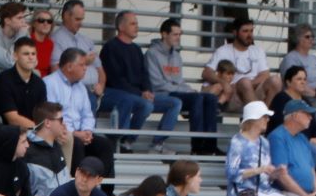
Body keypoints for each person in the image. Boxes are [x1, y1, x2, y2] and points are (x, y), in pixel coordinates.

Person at [225, 100, 297, 196]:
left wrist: (275, 173)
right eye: (264, 117)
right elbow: (231, 173)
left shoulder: (264, 142)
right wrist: (260, 170)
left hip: (262, 189)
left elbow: (265, 175)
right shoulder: (237, 142)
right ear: (254, 119)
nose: (267, 120)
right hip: (241, 192)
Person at [100, 10, 177, 149]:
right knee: (145, 105)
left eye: (137, 24)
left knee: (174, 103)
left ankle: (158, 142)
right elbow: (116, 80)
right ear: (121, 27)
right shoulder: (111, 48)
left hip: (139, 94)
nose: (137, 27)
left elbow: (144, 74)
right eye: (133, 24)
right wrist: (141, 94)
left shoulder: (136, 49)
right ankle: (126, 141)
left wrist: (147, 90)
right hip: (118, 94)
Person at [146, 18, 220, 154]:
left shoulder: (176, 56)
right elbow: (157, 83)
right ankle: (197, 147)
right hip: (161, 94)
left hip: (176, 92)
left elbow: (179, 81)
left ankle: (211, 145)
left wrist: (189, 90)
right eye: (175, 34)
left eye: (180, 34)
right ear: (164, 34)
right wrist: (185, 91)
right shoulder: (152, 54)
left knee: (209, 98)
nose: (178, 38)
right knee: (196, 99)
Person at [42, 47, 115, 179]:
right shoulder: (49, 83)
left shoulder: (81, 87)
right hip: (61, 135)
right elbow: (52, 116)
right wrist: (75, 133)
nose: (85, 68)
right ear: (69, 66)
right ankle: (77, 188)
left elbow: (87, 114)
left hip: (80, 135)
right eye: (82, 65)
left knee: (105, 145)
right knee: (77, 143)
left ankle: (106, 192)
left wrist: (87, 131)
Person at [201, 14, 280, 108]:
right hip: (232, 95)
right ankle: (259, 116)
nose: (249, 35)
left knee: (276, 80)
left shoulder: (258, 51)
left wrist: (248, 84)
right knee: (244, 82)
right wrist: (224, 83)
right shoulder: (223, 51)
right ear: (235, 33)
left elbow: (265, 75)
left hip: (254, 91)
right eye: (245, 31)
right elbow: (207, 73)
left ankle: (265, 115)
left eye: (251, 31)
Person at [0, 37, 46, 130]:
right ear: (15, 56)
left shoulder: (39, 83)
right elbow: (13, 119)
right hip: (10, 134)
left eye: (33, 54)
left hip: (35, 132)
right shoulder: (3, 80)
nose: (31, 57)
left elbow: (42, 115)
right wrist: (38, 130)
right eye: (26, 54)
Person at [55, 0, 103, 93]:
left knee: (131, 102)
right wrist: (85, 61)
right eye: (77, 19)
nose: (81, 23)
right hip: (74, 90)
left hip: (96, 91)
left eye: (82, 19)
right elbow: (56, 71)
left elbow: (100, 69)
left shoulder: (86, 40)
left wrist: (101, 87)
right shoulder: (56, 40)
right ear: (66, 16)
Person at [0, 1, 30, 76]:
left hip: (17, 76)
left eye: (24, 17)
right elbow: (9, 62)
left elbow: (28, 61)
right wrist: (20, 37)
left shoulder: (23, 34)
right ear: (7, 21)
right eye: (19, 18)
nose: (23, 21)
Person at [280, 23, 316, 92]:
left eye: (312, 36)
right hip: (307, 97)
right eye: (307, 37)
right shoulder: (291, 58)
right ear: (298, 38)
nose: (311, 39)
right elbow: (295, 84)